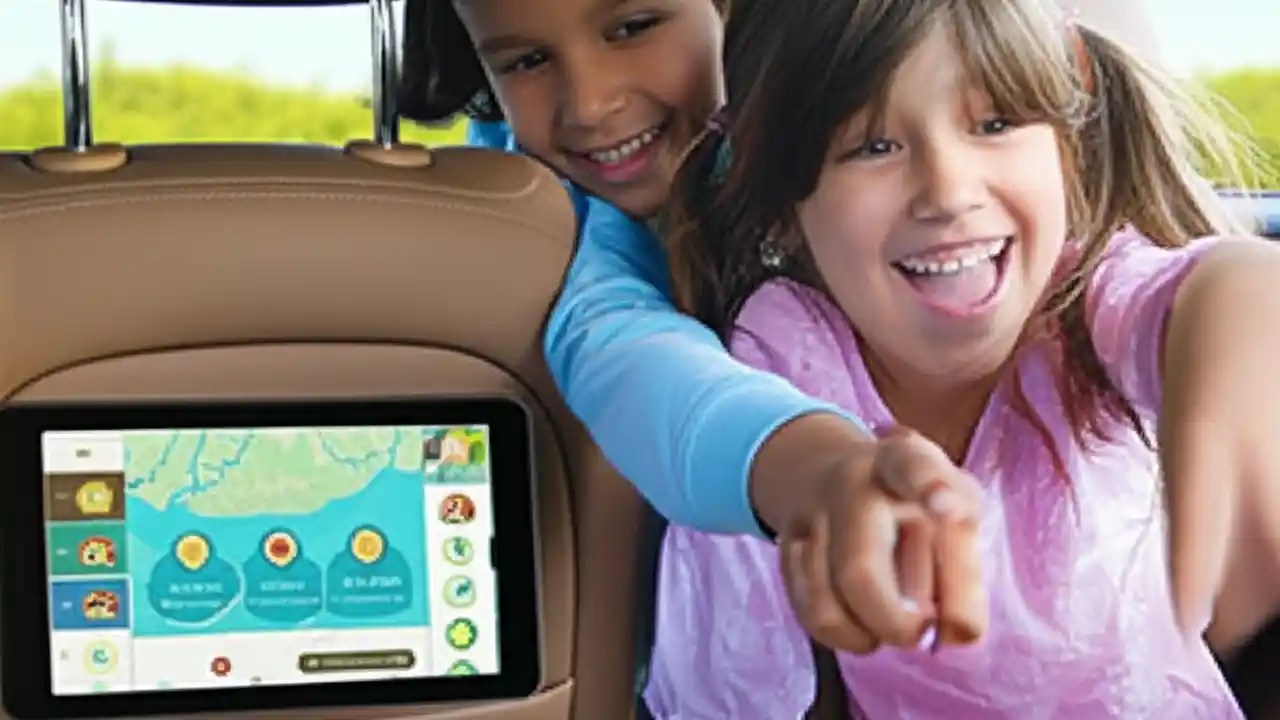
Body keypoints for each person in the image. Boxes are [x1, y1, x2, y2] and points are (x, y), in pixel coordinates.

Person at [397, 0, 1273, 671]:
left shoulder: (1018, 244)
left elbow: (1178, 287)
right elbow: (639, 364)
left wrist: (1240, 303)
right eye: (528, 60)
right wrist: (819, 469)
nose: (589, 102)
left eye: (633, 23)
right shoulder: (573, 234)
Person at [644, 0, 1275, 716]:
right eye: (872, 146)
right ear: (786, 209)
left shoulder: (1092, 304)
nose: (947, 192)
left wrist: (1247, 323)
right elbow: (735, 677)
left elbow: (1219, 287)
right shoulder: (789, 349)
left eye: (996, 124)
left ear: (1066, 151)